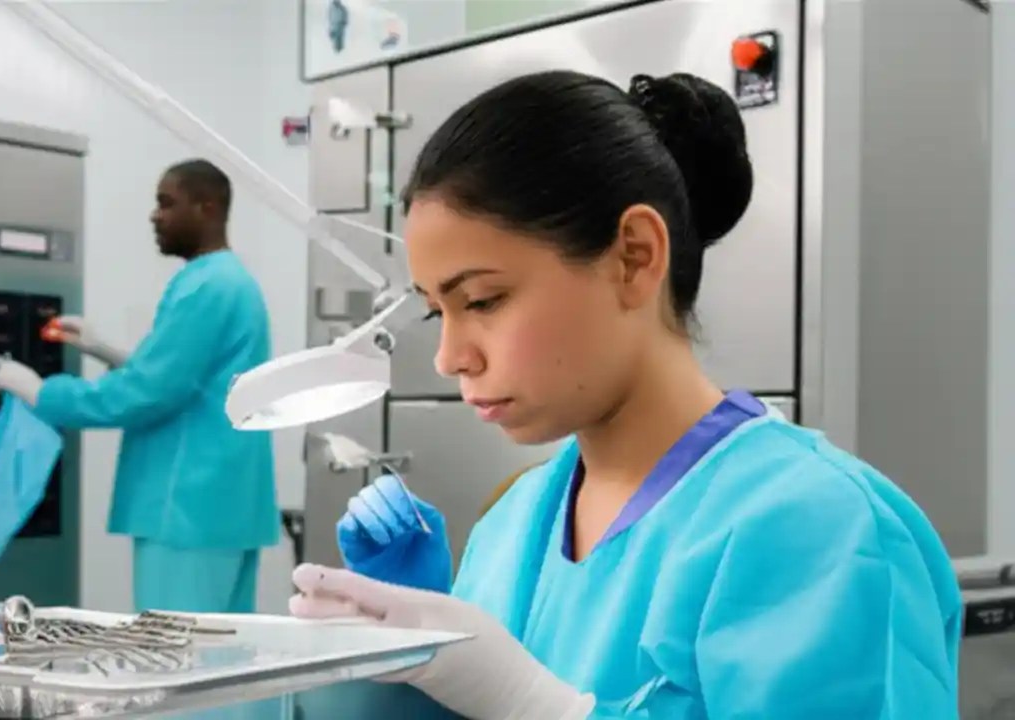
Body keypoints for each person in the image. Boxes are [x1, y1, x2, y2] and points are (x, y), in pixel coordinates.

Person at [291, 70, 963, 719]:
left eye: (484, 300)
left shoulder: (823, 531)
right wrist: (409, 665)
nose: (449, 358)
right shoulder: (513, 525)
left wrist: (543, 709)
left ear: (635, 256)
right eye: (441, 312)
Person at [0, 159, 279, 614]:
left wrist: (42, 393)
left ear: (207, 208)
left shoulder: (207, 286)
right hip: (224, 509)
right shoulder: (232, 283)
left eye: (166, 204)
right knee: (223, 666)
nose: (154, 215)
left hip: (185, 509)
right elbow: (193, 383)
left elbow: (147, 394)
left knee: (177, 665)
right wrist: (106, 349)